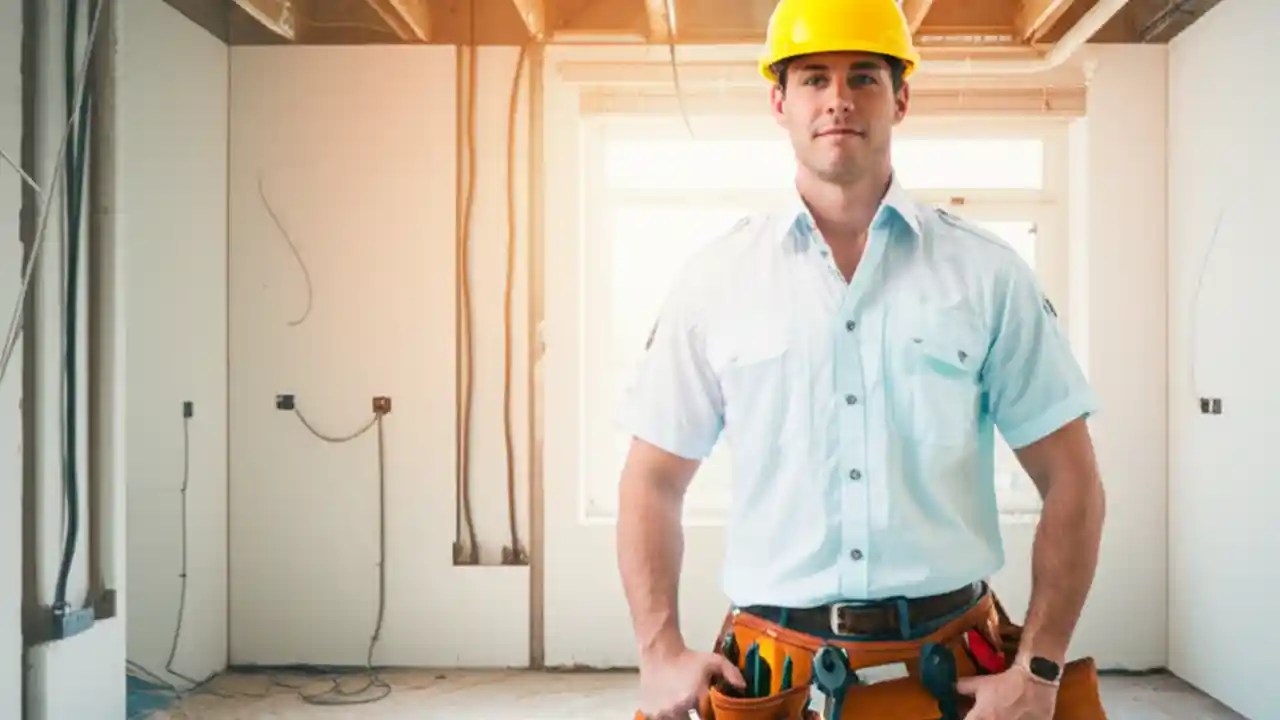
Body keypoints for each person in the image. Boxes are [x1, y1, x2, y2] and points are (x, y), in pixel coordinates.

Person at [615, 0, 1108, 718]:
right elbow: (651, 480)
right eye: (814, 78)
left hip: (949, 674)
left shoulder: (986, 276)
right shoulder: (716, 282)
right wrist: (659, 652)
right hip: (774, 676)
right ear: (778, 101)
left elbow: (1073, 479)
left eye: (864, 77)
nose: (838, 99)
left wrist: (1038, 665)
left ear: (901, 97)